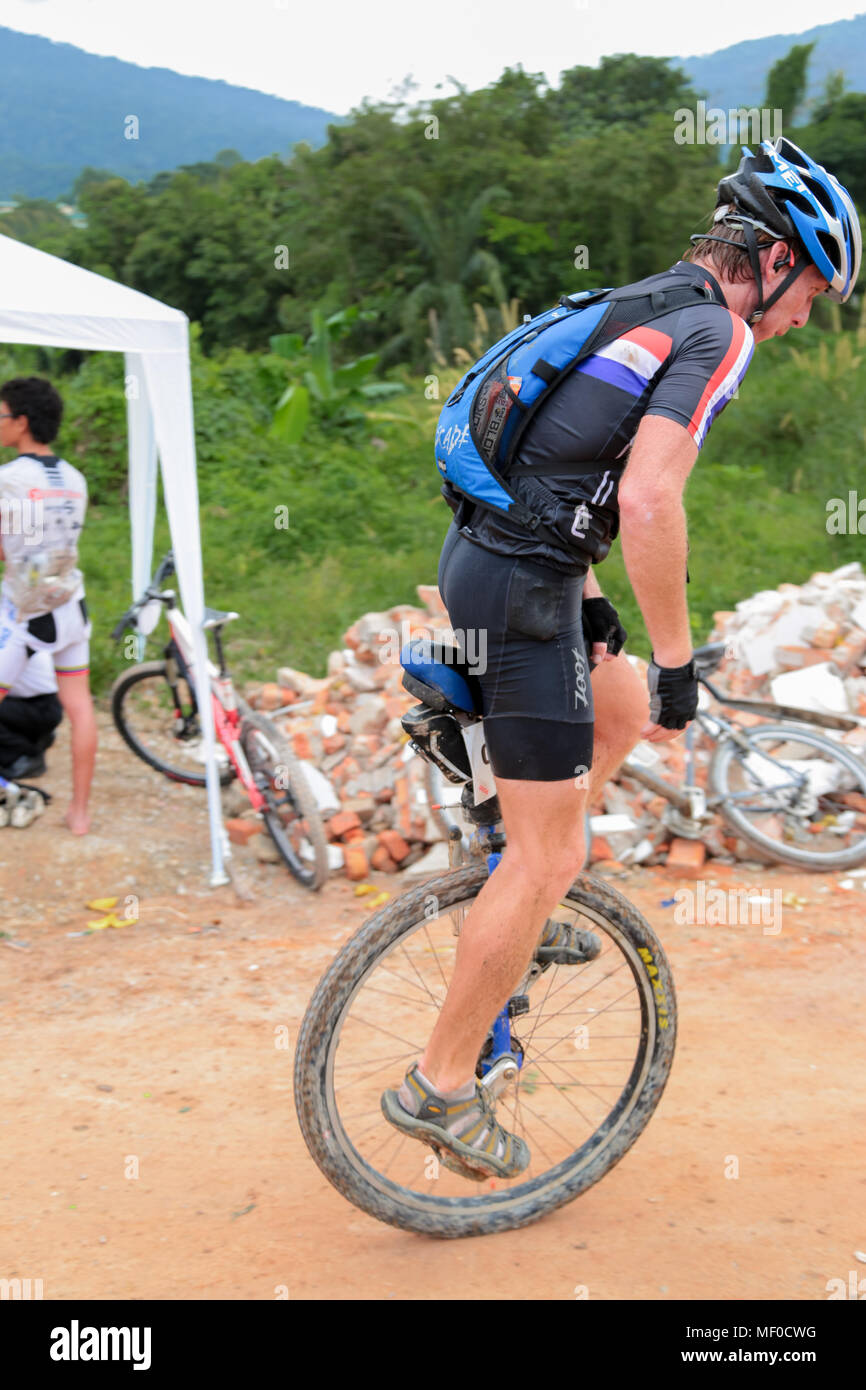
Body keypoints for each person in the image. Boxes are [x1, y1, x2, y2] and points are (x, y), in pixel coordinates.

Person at [381, 137, 861, 1179]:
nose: (798, 321)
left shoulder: (643, 300)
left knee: (618, 702)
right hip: (520, 592)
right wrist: (682, 655)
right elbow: (644, 499)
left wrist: (599, 612)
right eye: (810, 295)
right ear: (772, 261)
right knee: (555, 849)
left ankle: (512, 865)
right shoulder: (716, 334)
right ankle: (441, 1085)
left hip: (487, 559)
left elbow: (562, 473)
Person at [0, 376, 96, 833]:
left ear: (21, 422)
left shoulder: (11, 479)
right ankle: (79, 813)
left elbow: (9, 548)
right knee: (81, 707)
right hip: (71, 607)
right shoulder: (75, 479)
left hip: (27, 613)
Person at [0, 649, 63, 779]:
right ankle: (35, 739)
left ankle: (22, 757)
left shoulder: (8, 638)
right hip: (42, 704)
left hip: (40, 707)